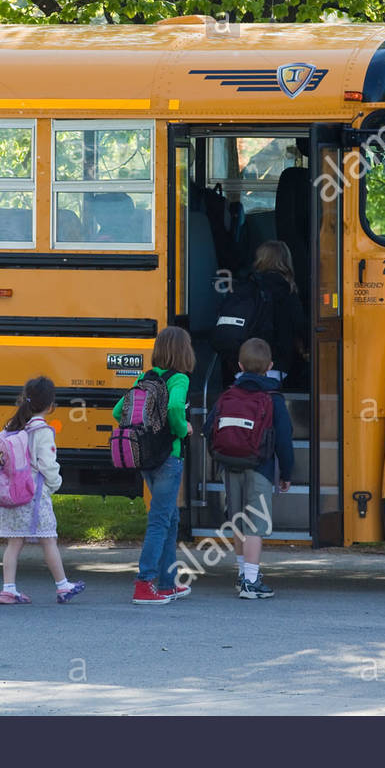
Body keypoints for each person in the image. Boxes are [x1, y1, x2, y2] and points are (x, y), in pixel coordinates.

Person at [206, 337, 294, 599]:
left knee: (237, 521)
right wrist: (287, 473)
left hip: (230, 465)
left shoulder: (228, 394)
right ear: (270, 366)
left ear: (240, 365)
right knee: (255, 524)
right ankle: (252, 582)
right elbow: (284, 440)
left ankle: (243, 574)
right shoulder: (273, 397)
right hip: (261, 468)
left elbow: (208, 428)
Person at [114, 325, 194, 605]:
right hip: (169, 457)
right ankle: (144, 583)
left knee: (171, 518)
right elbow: (174, 409)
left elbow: (117, 411)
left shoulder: (144, 377)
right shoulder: (179, 379)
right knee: (161, 520)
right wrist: (184, 430)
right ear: (185, 351)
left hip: (145, 456)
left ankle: (168, 583)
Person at [0, 377, 86, 605]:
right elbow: (48, 464)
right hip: (33, 496)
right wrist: (55, 484)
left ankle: (8, 589)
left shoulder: (10, 428)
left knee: (14, 543)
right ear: (50, 405)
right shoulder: (42, 431)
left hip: (10, 496)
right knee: (49, 540)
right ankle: (63, 585)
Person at [250, 240, 309, 388]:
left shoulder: (250, 285)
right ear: (285, 260)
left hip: (247, 355)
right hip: (277, 360)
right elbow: (299, 324)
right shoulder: (286, 290)